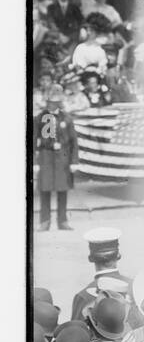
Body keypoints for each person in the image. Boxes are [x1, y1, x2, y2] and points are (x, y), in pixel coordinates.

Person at [34, 83, 78, 231]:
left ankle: (62, 221)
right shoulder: (40, 118)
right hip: (46, 158)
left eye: (56, 101)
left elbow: (73, 142)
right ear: (47, 101)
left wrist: (74, 161)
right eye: (51, 101)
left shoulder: (66, 118)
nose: (53, 104)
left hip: (62, 159)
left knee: (62, 190)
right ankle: (45, 221)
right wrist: (34, 161)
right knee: (45, 190)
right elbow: (34, 140)